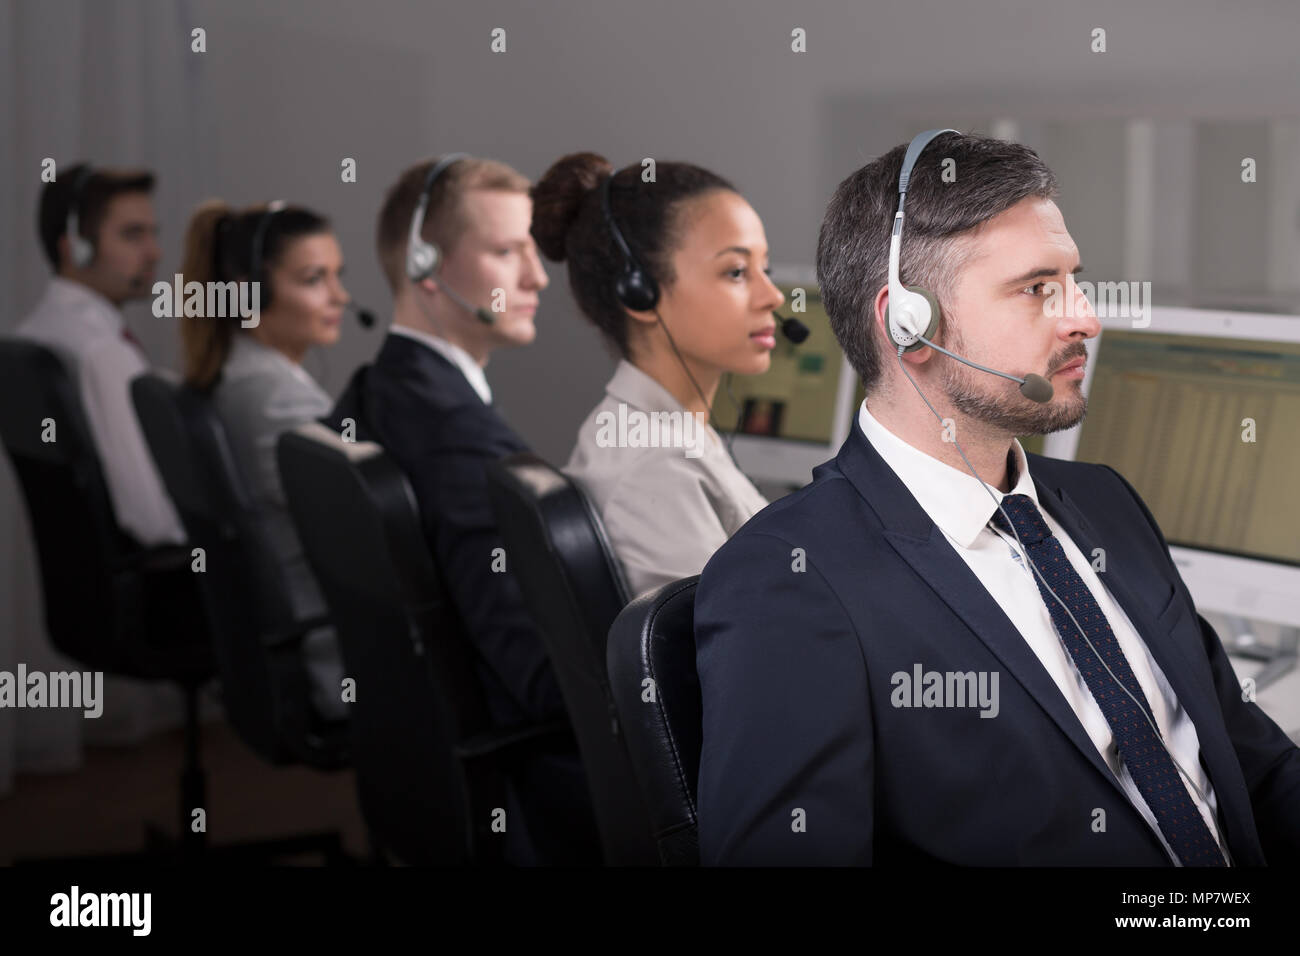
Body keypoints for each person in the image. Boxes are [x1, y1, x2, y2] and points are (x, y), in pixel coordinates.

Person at [695, 131, 1300, 866]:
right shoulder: (788, 582)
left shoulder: (1104, 503)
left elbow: (1254, 766)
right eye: (1037, 289)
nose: (1086, 317)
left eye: (1074, 280)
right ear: (906, 323)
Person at [326, 154, 600, 864]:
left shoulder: (378, 391)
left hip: (417, 761)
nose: (538, 278)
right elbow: (539, 675)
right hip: (529, 783)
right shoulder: (456, 438)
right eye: (508, 252)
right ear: (425, 262)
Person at [531, 153, 781, 598]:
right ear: (640, 293)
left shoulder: (661, 435)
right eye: (737, 271)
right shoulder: (658, 470)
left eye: (767, 269)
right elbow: (739, 655)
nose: (774, 296)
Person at [178, 199, 350, 721]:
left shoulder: (235, 379)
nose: (340, 296)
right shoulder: (279, 403)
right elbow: (368, 535)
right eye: (314, 278)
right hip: (337, 650)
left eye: (338, 276)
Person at [13, 163, 184, 546]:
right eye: (132, 235)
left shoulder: (31, 336)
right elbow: (152, 522)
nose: (154, 252)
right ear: (75, 248)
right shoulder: (103, 353)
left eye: (153, 234)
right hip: (162, 591)